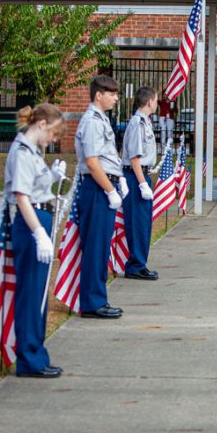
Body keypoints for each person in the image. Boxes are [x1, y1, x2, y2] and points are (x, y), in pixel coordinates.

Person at [5, 104, 67, 379]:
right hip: (30, 223)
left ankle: (37, 354)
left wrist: (51, 177)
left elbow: (34, 187)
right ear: (41, 124)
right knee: (31, 293)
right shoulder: (21, 152)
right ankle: (29, 358)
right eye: (52, 133)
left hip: (40, 218)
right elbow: (22, 197)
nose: (52, 140)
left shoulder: (33, 152)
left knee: (39, 292)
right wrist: (39, 233)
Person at [75, 74, 125, 319]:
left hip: (103, 185)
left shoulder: (102, 119)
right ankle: (92, 302)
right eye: (112, 94)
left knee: (101, 245)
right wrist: (110, 190)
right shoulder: (93, 122)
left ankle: (98, 298)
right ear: (98, 95)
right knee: (95, 246)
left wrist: (118, 180)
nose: (115, 98)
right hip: (97, 188)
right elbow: (92, 162)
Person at [121, 86, 160, 281]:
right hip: (136, 176)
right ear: (149, 101)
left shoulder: (145, 122)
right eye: (156, 100)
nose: (157, 103)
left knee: (143, 222)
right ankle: (135, 265)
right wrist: (143, 184)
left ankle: (139, 263)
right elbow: (134, 157)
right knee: (137, 223)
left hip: (142, 175)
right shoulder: (137, 123)